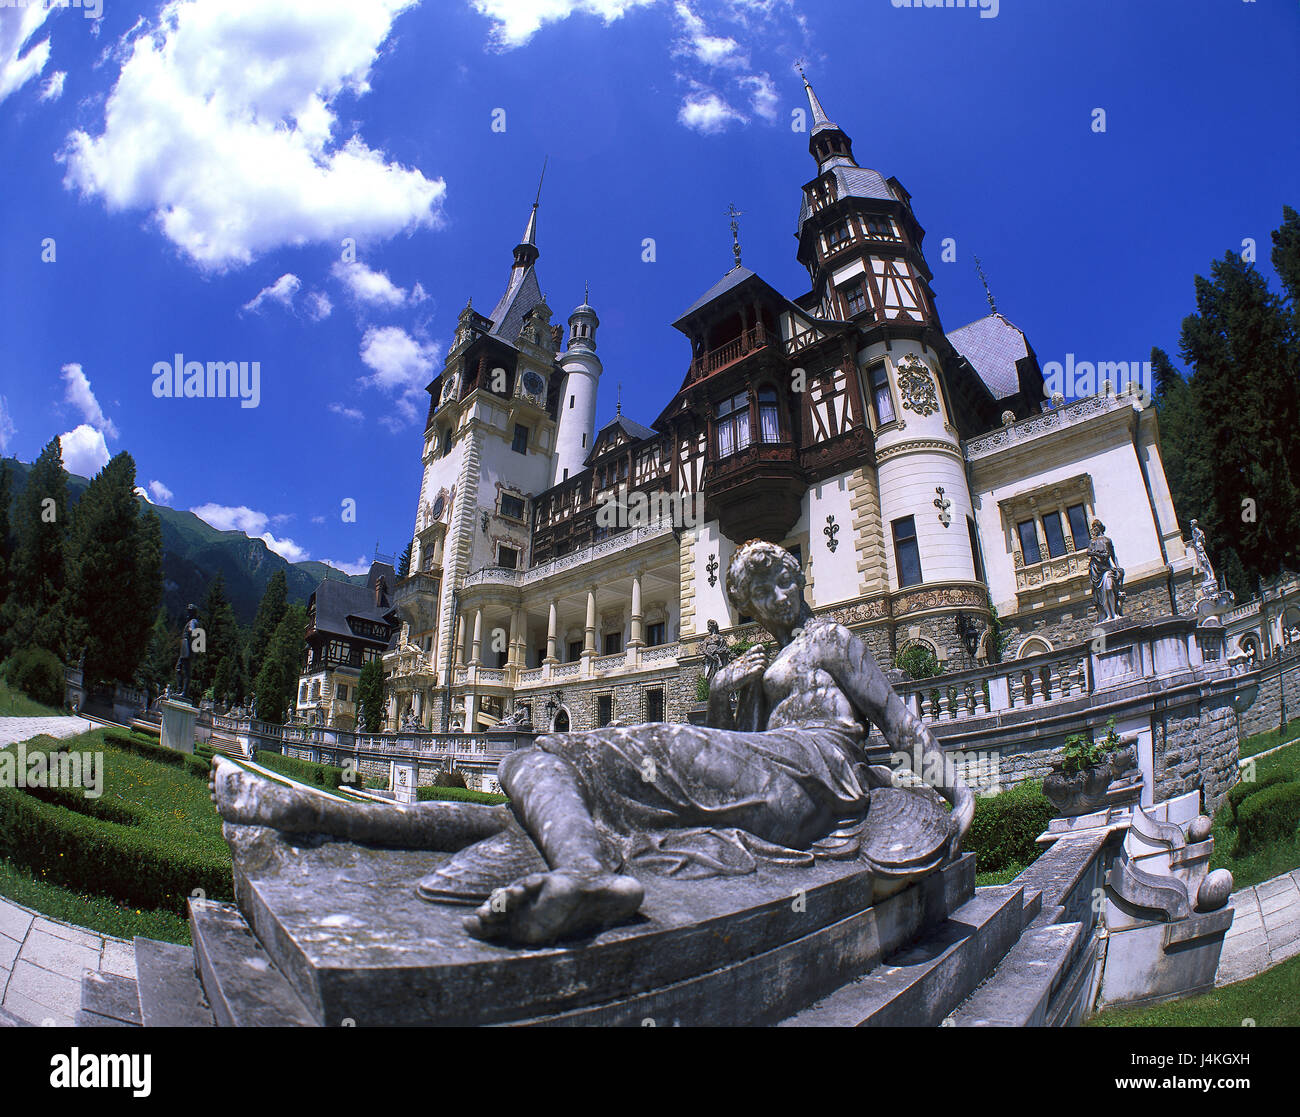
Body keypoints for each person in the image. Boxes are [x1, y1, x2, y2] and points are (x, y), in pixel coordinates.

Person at [210, 541, 973, 946]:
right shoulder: (758, 663)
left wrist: (950, 781)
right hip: (767, 779)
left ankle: (584, 869)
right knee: (531, 767)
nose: (767, 599)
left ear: (796, 580)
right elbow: (737, 741)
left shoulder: (831, 639)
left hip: (814, 775)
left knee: (653, 742)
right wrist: (733, 690)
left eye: (774, 581)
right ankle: (329, 813)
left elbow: (898, 717)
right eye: (750, 592)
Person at [1088, 520, 1125, 621]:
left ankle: (1114, 613)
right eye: (1093, 527)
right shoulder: (1093, 541)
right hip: (1096, 569)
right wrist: (1099, 554)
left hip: (1106, 568)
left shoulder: (1107, 540)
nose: (1094, 529)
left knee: (1109, 588)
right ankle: (1108, 615)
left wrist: (1117, 567)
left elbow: (1112, 555)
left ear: (1100, 528)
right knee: (1101, 593)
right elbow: (1089, 552)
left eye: (1096, 527)